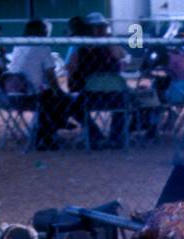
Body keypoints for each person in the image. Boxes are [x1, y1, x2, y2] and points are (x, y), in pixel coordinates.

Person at [9, 18, 73, 149]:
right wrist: (59, 92)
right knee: (62, 98)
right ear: (42, 32)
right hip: (32, 96)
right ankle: (53, 130)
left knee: (52, 96)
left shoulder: (18, 45)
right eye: (45, 31)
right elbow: (51, 77)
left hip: (12, 95)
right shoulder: (42, 47)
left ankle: (55, 127)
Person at [66, 12, 128, 147]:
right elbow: (71, 69)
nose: (100, 30)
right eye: (96, 27)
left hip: (107, 95)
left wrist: (109, 41)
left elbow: (123, 56)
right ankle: (97, 134)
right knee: (71, 105)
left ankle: (114, 137)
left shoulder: (110, 44)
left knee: (129, 99)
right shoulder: (79, 46)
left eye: (102, 27)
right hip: (93, 95)